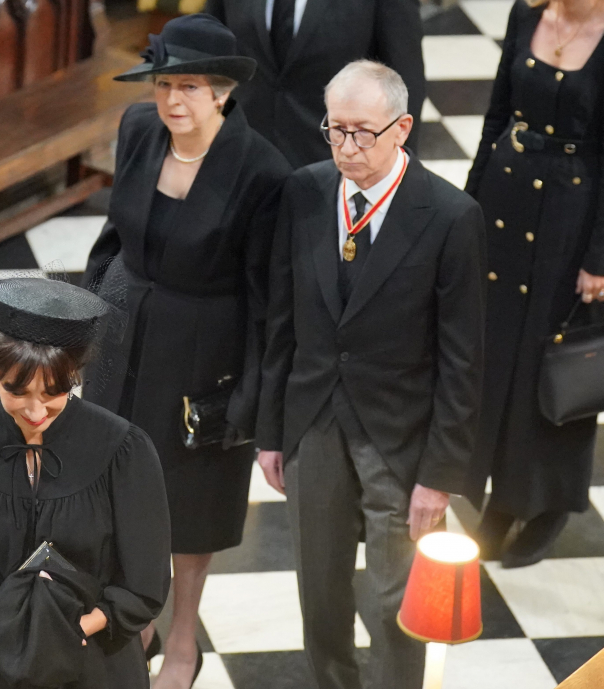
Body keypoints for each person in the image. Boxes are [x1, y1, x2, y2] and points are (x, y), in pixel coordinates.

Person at [255, 61, 486, 689]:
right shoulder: (303, 192)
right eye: (336, 131)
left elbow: (464, 361)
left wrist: (440, 476)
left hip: (401, 434)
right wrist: (270, 430)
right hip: (313, 421)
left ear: (403, 127)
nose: (348, 148)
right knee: (319, 591)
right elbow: (282, 320)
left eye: (364, 133)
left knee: (393, 603)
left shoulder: (450, 216)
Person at [82, 13, 292, 689]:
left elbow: (269, 298)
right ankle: (134, 613)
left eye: (192, 87)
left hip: (205, 352)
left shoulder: (261, 169)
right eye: (165, 83)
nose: (174, 100)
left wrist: (254, 401)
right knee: (117, 487)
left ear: (223, 92)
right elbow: (113, 237)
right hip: (124, 333)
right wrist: (89, 314)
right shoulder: (139, 131)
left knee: (190, 504)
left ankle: (180, 636)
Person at [0, 275, 171, 689]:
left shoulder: (123, 450)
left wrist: (73, 629)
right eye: (16, 391)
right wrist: (1, 619)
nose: (35, 411)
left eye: (54, 392)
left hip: (95, 664)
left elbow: (145, 583)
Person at [464, 0, 604, 569]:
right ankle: (501, 494)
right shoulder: (526, 16)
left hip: (572, 213)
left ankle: (549, 501)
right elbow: (497, 115)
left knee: (550, 361)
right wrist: (467, 208)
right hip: (506, 196)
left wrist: (599, 256)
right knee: (497, 355)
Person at [206, 0, 426, 168]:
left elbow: (405, 82)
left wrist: (401, 168)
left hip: (337, 166)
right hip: (246, 161)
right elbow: (209, 52)